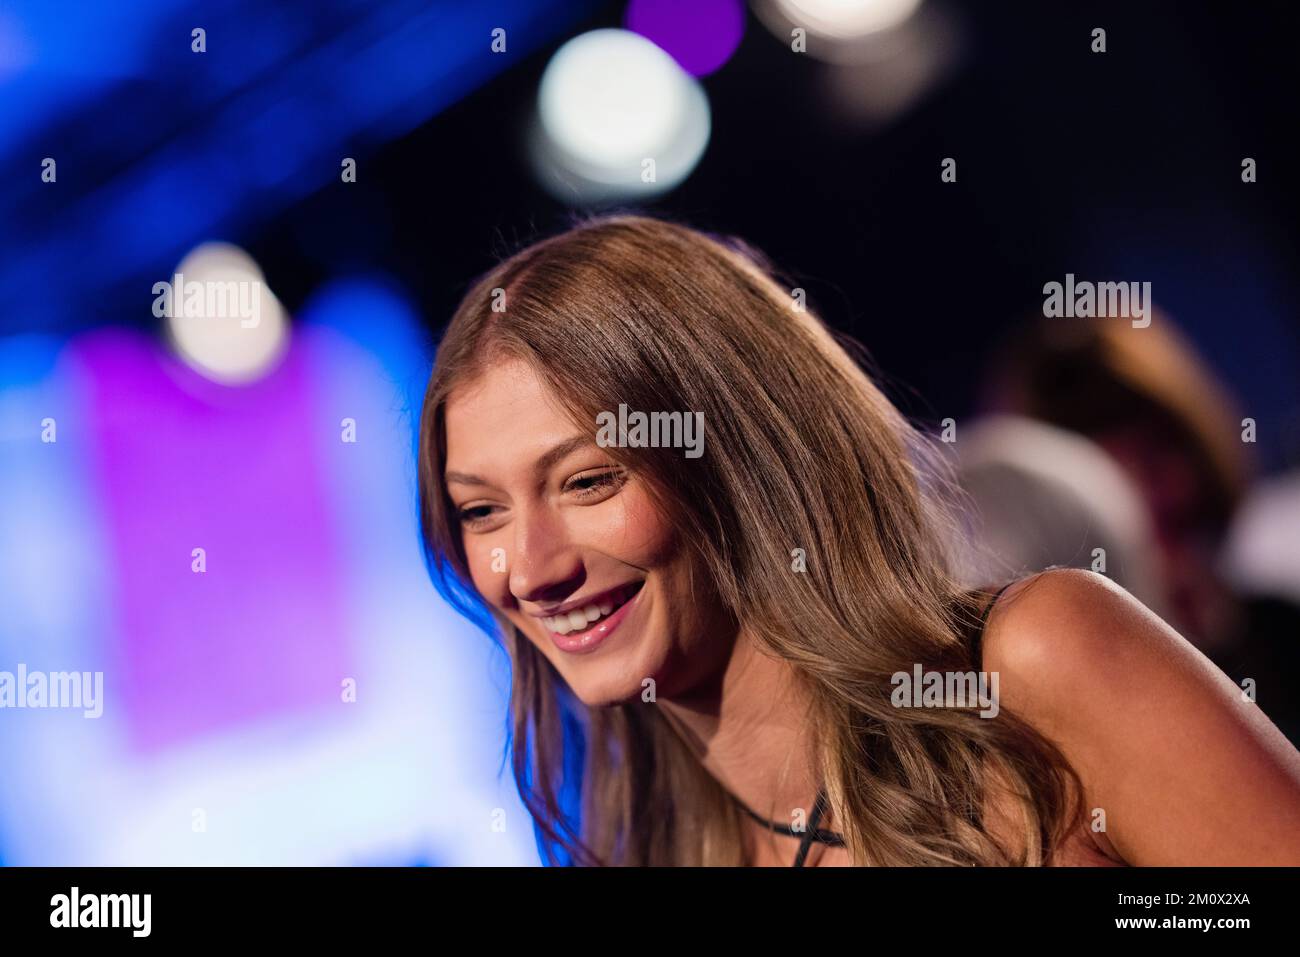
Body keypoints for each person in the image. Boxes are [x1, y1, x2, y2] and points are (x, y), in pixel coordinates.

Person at [416, 213, 1300, 865]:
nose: (530, 569)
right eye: (481, 510)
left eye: (588, 481)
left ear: (738, 457)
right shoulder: (654, 852)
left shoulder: (1033, 666)